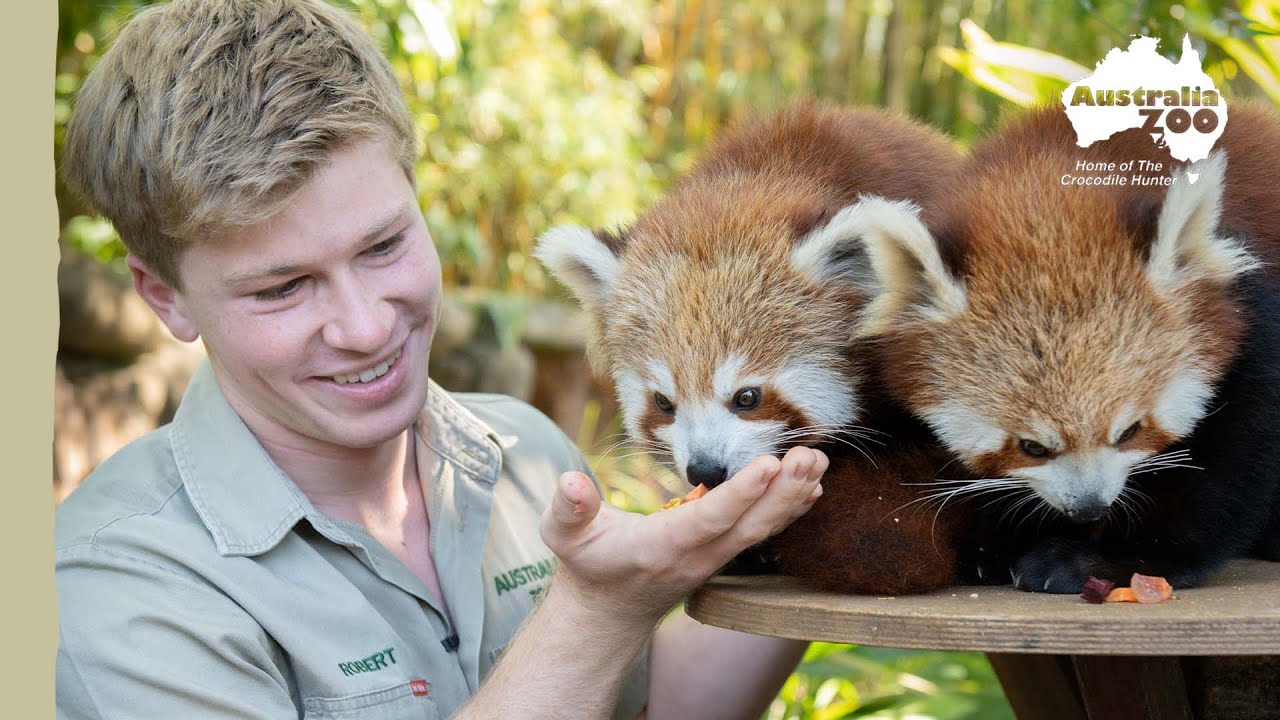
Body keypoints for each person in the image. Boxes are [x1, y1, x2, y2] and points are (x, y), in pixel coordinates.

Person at [55, 1, 828, 718]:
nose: (363, 326)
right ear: (168, 299)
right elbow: (592, 634)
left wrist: (823, 501)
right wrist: (596, 610)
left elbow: (654, 708)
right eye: (284, 288)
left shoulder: (528, 456)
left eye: (383, 245)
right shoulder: (119, 586)